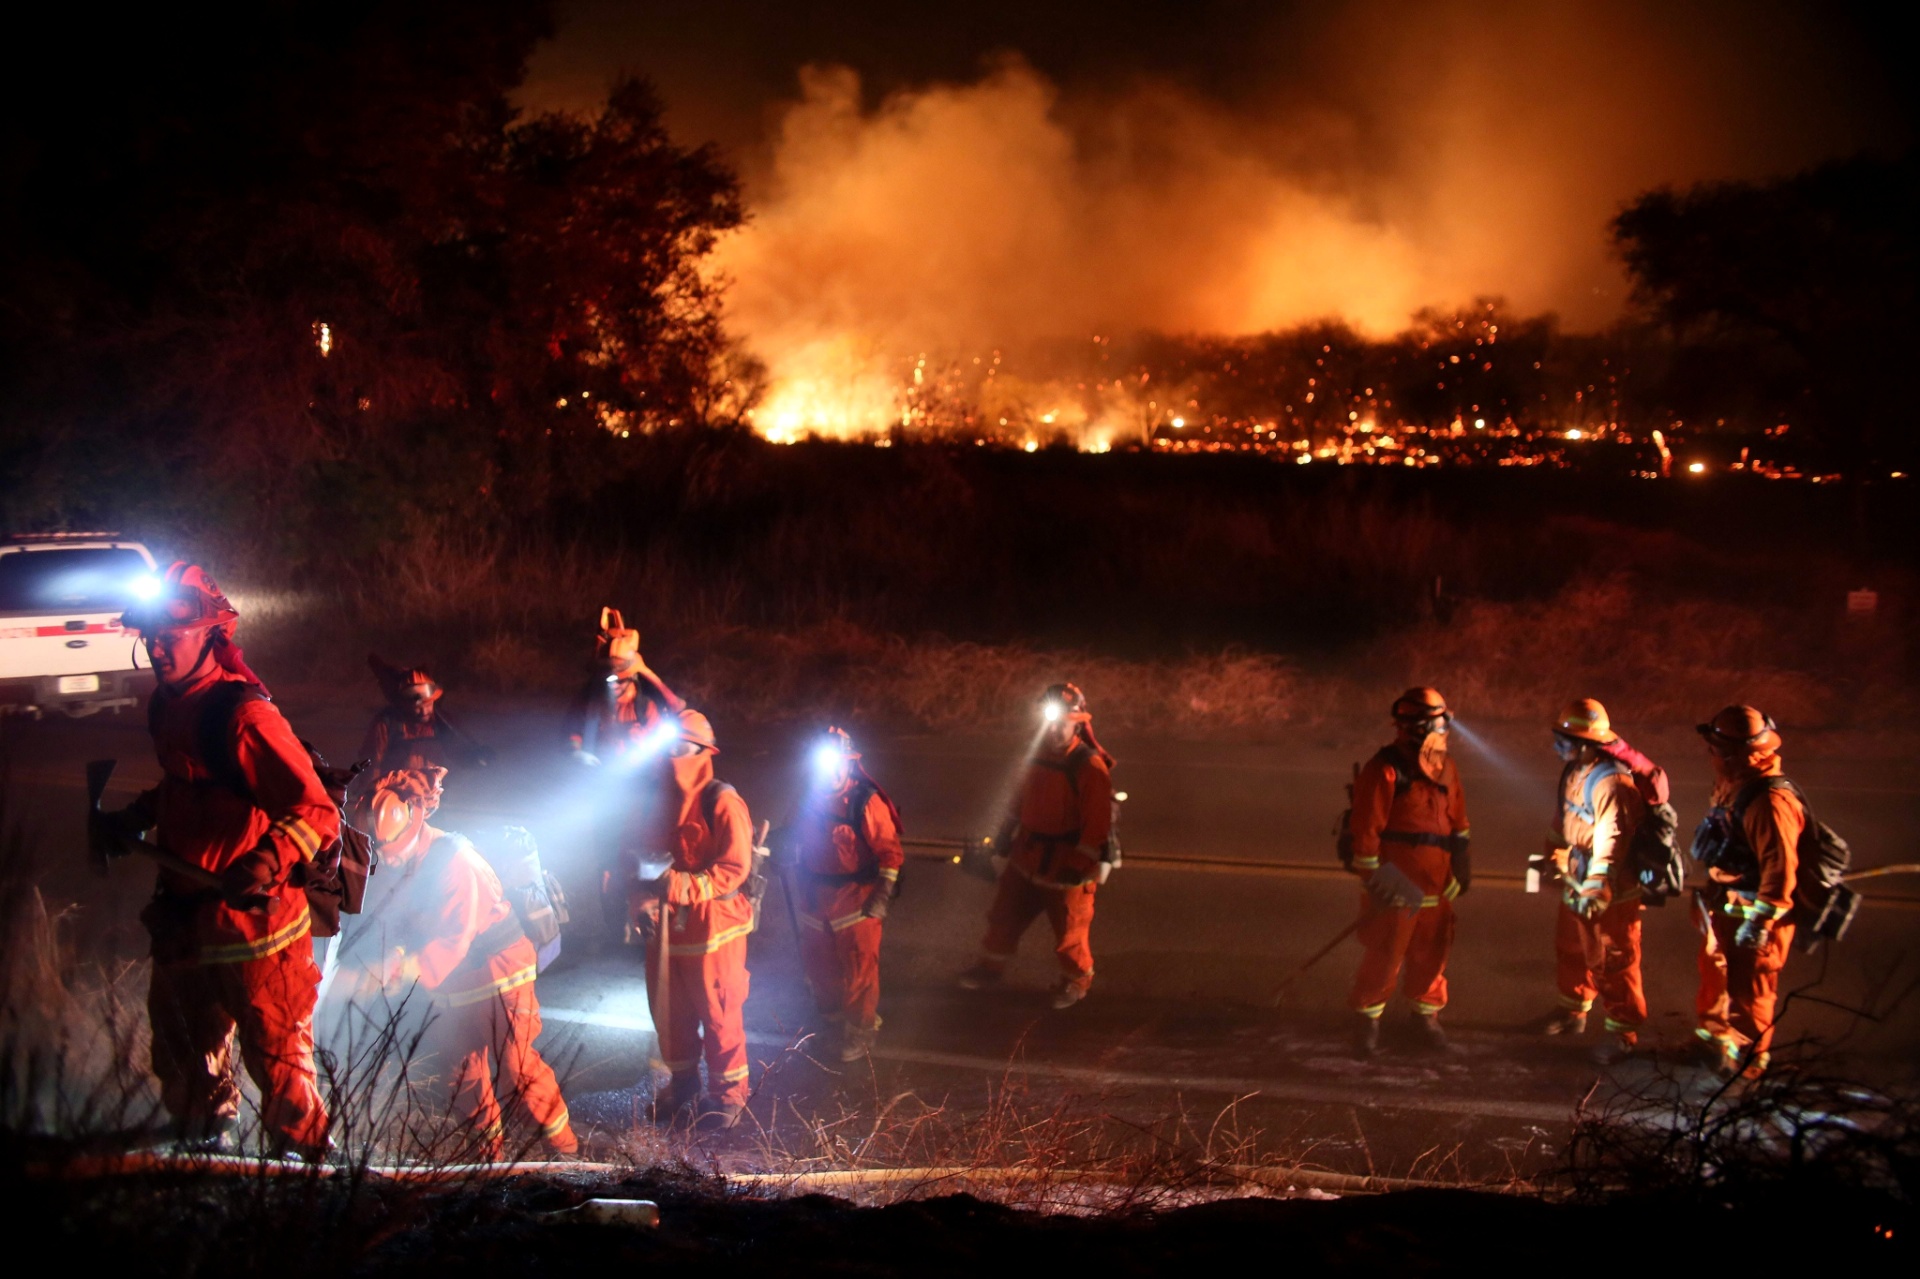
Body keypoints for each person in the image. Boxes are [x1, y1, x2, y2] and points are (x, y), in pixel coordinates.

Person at [95, 562, 335, 1158]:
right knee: (180, 1044)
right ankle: (205, 1152)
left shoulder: (244, 715)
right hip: (185, 914)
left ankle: (311, 1173)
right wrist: (135, 817)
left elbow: (316, 811)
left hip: (255, 925)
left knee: (278, 1057)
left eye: (168, 636)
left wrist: (263, 861)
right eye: (147, 637)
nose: (154, 647)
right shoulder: (166, 705)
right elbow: (188, 782)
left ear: (207, 634)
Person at [337, 768, 576, 1160]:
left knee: (517, 1070)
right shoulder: (403, 861)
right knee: (463, 1074)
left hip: (500, 974)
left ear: (413, 823)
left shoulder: (457, 861)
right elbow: (398, 922)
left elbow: (453, 940)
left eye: (389, 847)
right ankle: (487, 1160)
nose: (385, 857)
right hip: (455, 984)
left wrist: (395, 973)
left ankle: (565, 1151)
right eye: (379, 848)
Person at [629, 709, 756, 1127]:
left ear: (702, 752)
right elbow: (644, 860)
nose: (670, 757)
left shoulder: (721, 800)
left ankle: (728, 1097)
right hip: (667, 929)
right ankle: (682, 1086)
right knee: (670, 1013)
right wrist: (642, 902)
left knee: (718, 1013)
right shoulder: (657, 801)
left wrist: (680, 887)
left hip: (713, 929)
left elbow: (734, 867)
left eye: (678, 748)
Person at [957, 684, 1116, 1010]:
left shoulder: (1089, 767)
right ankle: (990, 968)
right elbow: (1019, 798)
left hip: (1067, 865)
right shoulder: (1035, 757)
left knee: (1070, 934)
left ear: (1077, 723)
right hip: (1026, 856)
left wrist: (1080, 860)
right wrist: (1004, 832)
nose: (1055, 729)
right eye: (1051, 721)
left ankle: (1076, 982)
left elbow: (1097, 824)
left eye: (1063, 722)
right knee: (1004, 917)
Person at [1346, 687, 1470, 1057]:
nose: (1441, 728)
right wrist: (1375, 879)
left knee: (1432, 953)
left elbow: (1459, 822)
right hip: (1397, 885)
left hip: (1438, 883)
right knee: (1386, 953)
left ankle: (1425, 1019)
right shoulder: (1384, 769)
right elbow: (1366, 830)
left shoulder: (1446, 767)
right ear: (1415, 726)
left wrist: (1461, 864)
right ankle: (1367, 1021)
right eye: (1436, 722)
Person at [1540, 698, 1658, 1065]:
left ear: (1588, 743)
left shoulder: (1612, 782)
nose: (1560, 746)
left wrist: (1598, 883)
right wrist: (1549, 857)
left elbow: (1613, 839)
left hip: (1610, 888)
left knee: (1612, 959)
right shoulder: (1576, 772)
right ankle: (1572, 1011)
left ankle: (1623, 1034)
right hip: (1577, 876)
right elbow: (1565, 820)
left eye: (1566, 739)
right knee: (1572, 946)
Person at [1691, 705, 1805, 1079]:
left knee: (1749, 993)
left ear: (1731, 754)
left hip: (1754, 915)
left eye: (1713, 748)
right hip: (1727, 905)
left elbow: (1780, 867)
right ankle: (1715, 1041)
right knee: (1716, 977)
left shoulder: (1769, 803)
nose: (1708, 755)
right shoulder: (1734, 784)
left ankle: (1748, 1066)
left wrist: (1760, 921)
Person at [787, 727, 903, 1060]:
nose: (832, 771)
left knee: (858, 973)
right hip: (813, 899)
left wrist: (882, 894)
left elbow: (890, 853)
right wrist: (784, 847)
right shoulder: (807, 797)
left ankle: (861, 1033)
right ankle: (832, 1026)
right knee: (821, 970)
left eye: (839, 763)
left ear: (850, 764)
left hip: (856, 901)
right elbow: (793, 834)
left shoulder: (864, 801)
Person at [564, 608, 685, 765]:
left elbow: (662, 744)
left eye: (617, 680)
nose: (612, 684)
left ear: (631, 678)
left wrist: (643, 753)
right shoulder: (592, 699)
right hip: (598, 769)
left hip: (640, 772)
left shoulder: (646, 705)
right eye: (607, 680)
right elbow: (572, 728)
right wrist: (576, 752)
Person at [359, 655, 493, 776]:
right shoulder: (387, 723)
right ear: (404, 704)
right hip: (395, 795)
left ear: (434, 700)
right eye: (417, 708)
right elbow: (372, 763)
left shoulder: (440, 722)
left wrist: (475, 759)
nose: (424, 712)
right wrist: (372, 792)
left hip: (429, 793)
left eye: (428, 705)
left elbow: (456, 751)